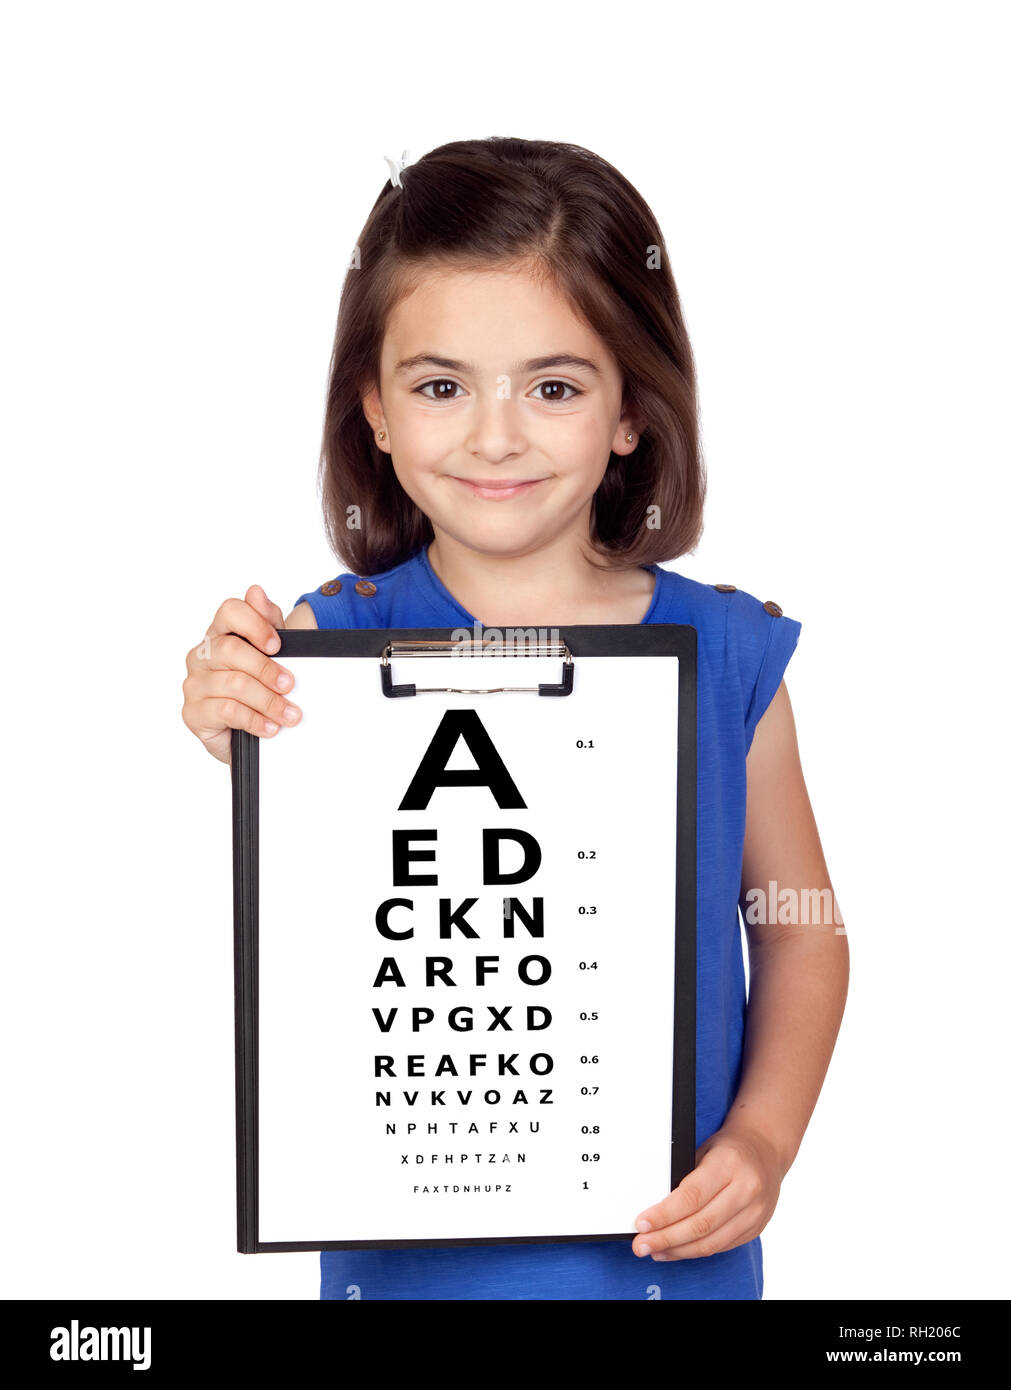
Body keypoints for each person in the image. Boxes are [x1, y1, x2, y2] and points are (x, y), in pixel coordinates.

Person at [181, 136, 849, 1300]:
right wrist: (230, 703)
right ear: (377, 413)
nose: (496, 436)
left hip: (664, 1267)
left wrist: (764, 1144)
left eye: (553, 386)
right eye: (442, 387)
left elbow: (797, 926)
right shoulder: (323, 650)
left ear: (632, 412)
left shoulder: (731, 658)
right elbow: (286, 830)